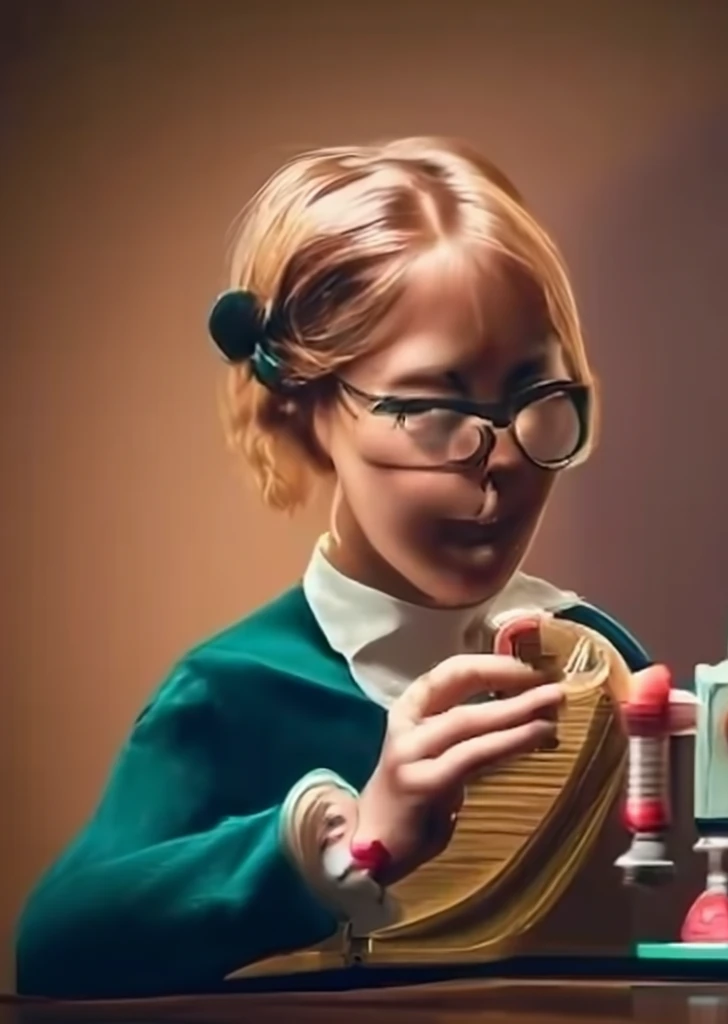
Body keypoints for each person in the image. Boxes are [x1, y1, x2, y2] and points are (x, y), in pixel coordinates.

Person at [15, 136, 678, 999]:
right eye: (434, 408)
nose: (503, 459)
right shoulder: (231, 692)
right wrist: (346, 839)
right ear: (305, 400)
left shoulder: (598, 652)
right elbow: (55, 944)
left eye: (538, 399)